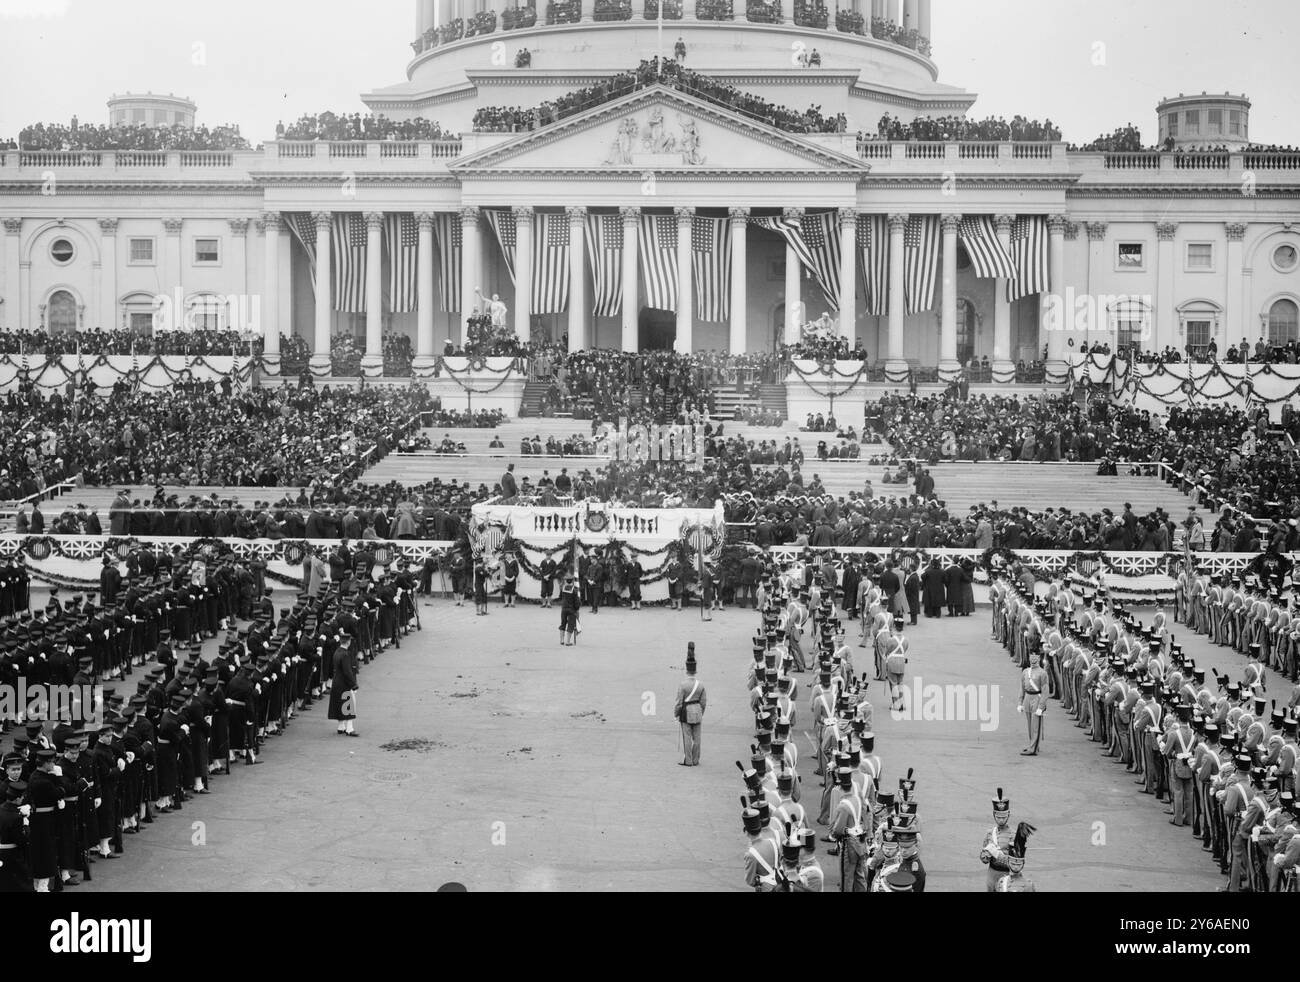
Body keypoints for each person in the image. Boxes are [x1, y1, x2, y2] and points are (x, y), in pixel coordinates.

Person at [674, 643, 706, 767]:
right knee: (697, 738)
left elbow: (679, 702)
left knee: (687, 737)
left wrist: (676, 714)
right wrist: (700, 712)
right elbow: (703, 702)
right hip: (697, 711)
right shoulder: (701, 685)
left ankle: (688, 760)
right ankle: (696, 759)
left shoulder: (683, 685)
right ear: (695, 671)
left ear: (687, 671)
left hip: (686, 712)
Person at [980, 787, 1015, 891]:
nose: (1001, 820)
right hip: (991, 874)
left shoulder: (1013, 834)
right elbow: (983, 858)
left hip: (1006, 875)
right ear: (994, 815)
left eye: (1003, 817)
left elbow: (1015, 863)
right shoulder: (990, 833)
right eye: (998, 817)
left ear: (1008, 815)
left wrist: (997, 854)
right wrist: (986, 855)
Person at [1019, 647, 1048, 755]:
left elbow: (1045, 691)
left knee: (1035, 725)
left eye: (1035, 656)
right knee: (1029, 725)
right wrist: (1020, 702)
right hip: (1027, 697)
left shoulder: (1043, 673)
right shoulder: (1026, 672)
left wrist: (1041, 706)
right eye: (1031, 656)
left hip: (1037, 698)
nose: (1033, 659)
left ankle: (1033, 748)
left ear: (1039, 658)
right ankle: (1033, 744)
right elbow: (1022, 688)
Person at [328, 639, 359, 737]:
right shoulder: (345, 654)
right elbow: (347, 671)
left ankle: (341, 726)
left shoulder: (337, 652)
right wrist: (353, 685)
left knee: (339, 704)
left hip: (336, 682)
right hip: (344, 684)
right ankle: (349, 728)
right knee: (349, 706)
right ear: (348, 642)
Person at [995, 822, 1037, 892]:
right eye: (1013, 864)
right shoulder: (1001, 882)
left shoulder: (1028, 885)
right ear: (1008, 861)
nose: (1016, 867)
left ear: (1023, 863)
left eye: (1018, 864)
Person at [559, 573, 580, 646]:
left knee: (563, 624)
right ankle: (567, 641)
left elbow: (561, 597)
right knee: (571, 625)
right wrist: (577, 608)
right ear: (572, 581)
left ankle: (561, 640)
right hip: (571, 609)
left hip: (564, 608)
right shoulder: (574, 590)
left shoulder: (563, 588)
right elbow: (577, 602)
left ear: (566, 581)